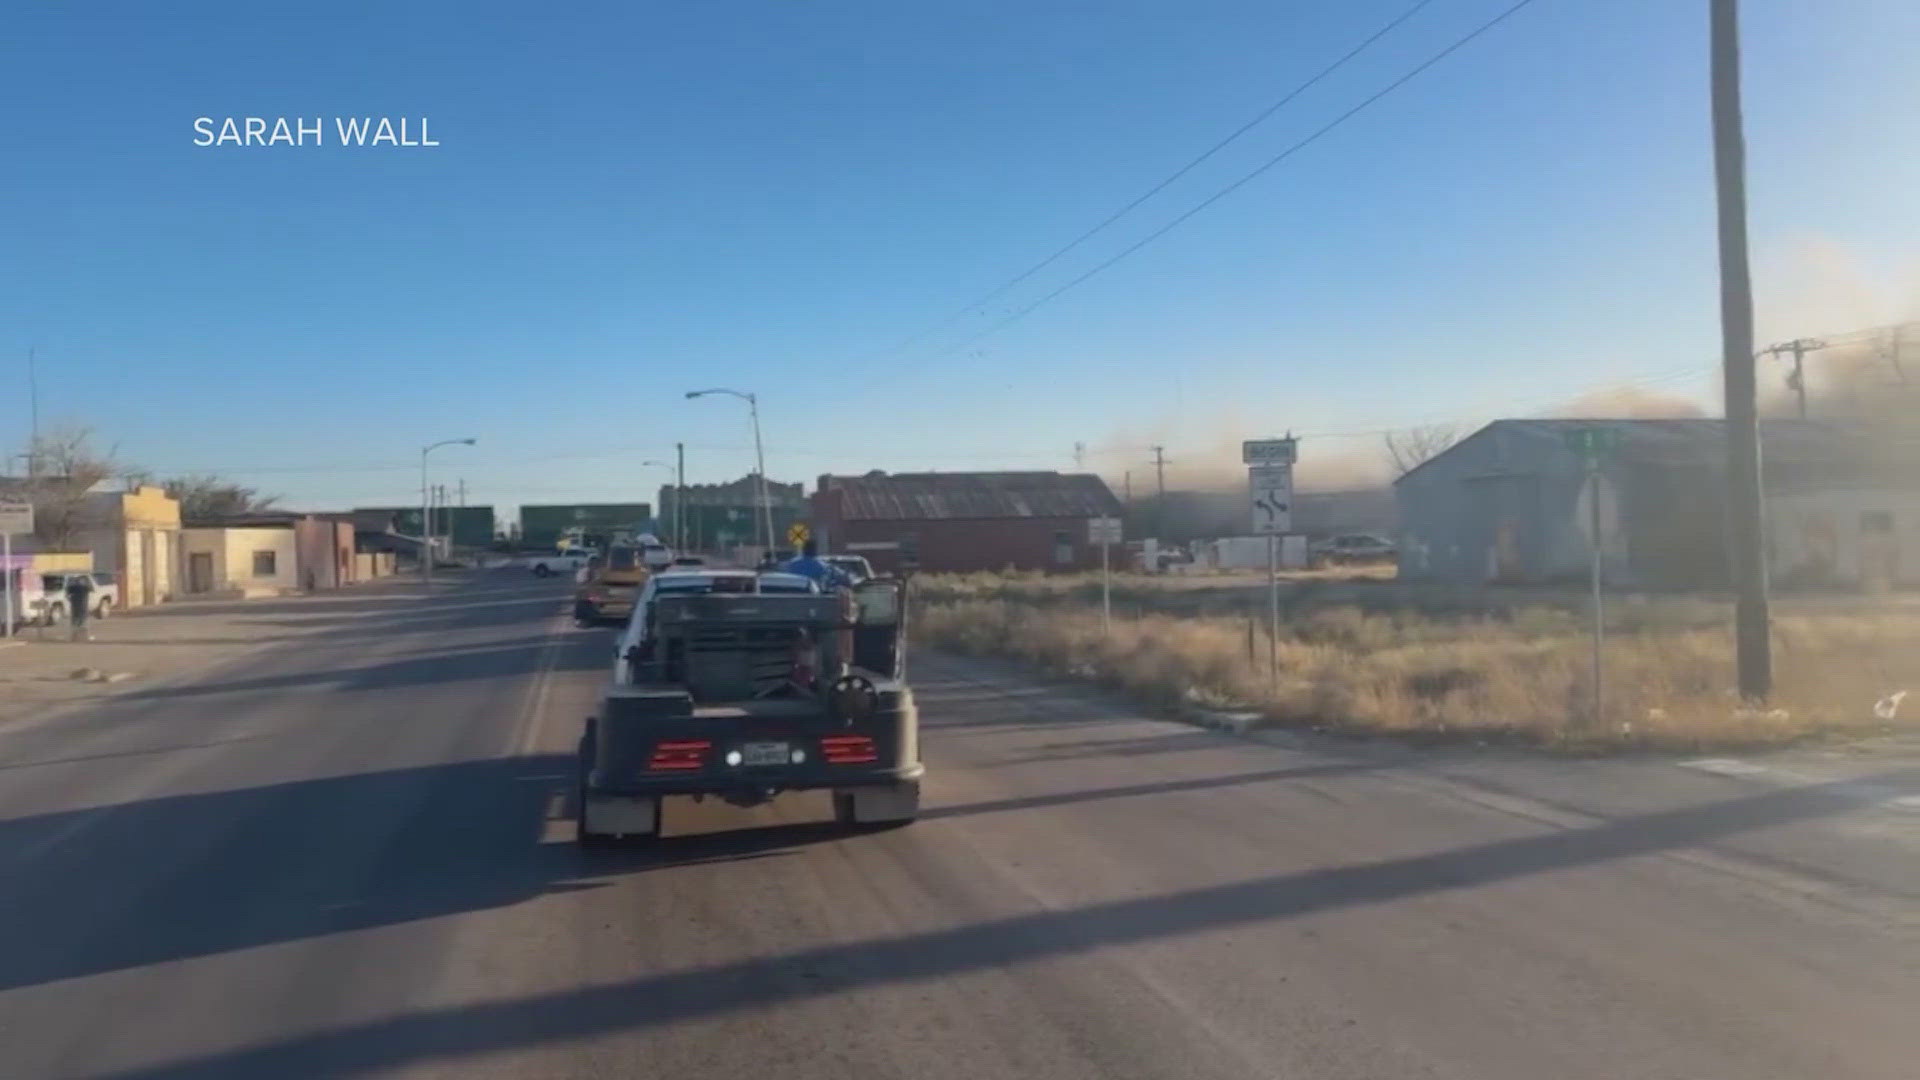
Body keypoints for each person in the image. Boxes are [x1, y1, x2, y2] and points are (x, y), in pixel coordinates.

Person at [782, 539, 849, 590]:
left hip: (793, 595)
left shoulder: (791, 564)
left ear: (803, 550)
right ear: (815, 550)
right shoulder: (822, 566)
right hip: (815, 598)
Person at [63, 573, 94, 642]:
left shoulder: (72, 580)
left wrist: (70, 599)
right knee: (81, 620)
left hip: (76, 604)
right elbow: (91, 589)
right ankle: (81, 637)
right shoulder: (85, 579)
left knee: (76, 620)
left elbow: (67, 593)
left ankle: (75, 637)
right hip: (81, 605)